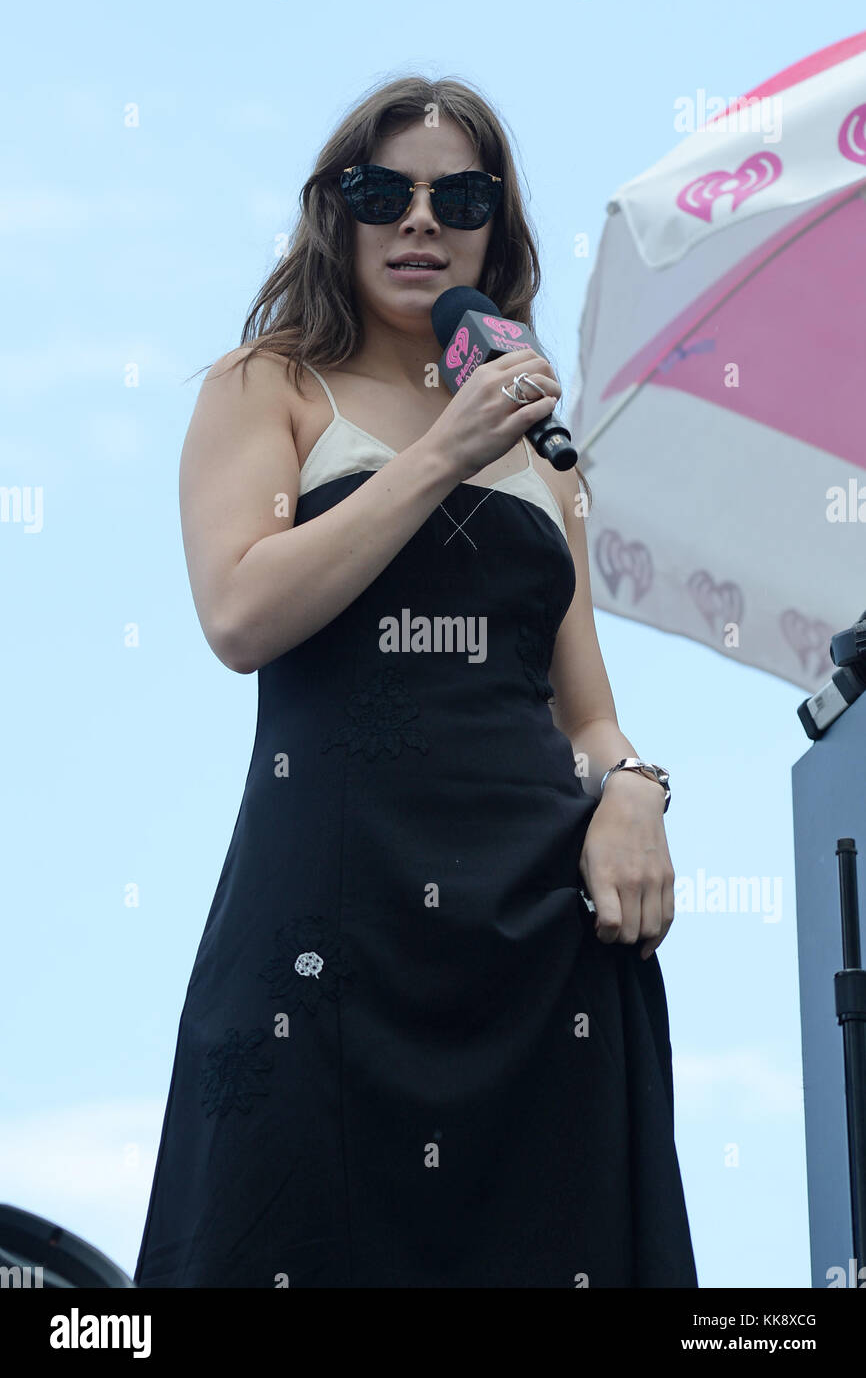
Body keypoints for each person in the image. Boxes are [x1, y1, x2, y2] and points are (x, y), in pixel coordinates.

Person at [134, 75, 698, 1289]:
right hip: (330, 920)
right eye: (381, 191)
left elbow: (585, 712)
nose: (420, 221)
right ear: (334, 214)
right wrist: (444, 451)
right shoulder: (269, 384)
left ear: (498, 229)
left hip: (537, 933)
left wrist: (636, 791)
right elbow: (240, 612)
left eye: (462, 197)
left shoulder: (545, 456)